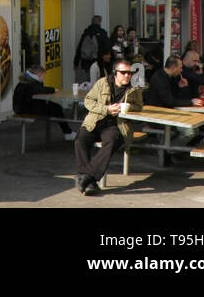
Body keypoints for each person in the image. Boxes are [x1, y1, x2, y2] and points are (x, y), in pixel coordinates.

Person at [74, 61, 144, 196]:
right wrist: (106, 109)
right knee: (80, 139)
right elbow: (88, 100)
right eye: (123, 73)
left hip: (116, 123)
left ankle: (86, 177)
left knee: (112, 141)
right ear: (115, 73)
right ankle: (90, 182)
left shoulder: (135, 88)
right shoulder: (102, 83)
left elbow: (139, 106)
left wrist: (128, 108)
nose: (127, 76)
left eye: (130, 73)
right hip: (96, 120)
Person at [12, 65, 77, 140]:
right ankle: (67, 133)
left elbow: (38, 89)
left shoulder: (26, 82)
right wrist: (53, 90)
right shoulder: (29, 84)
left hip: (21, 108)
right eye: (43, 77)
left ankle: (67, 132)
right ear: (38, 75)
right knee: (56, 108)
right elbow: (39, 89)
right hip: (25, 110)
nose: (43, 79)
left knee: (54, 107)